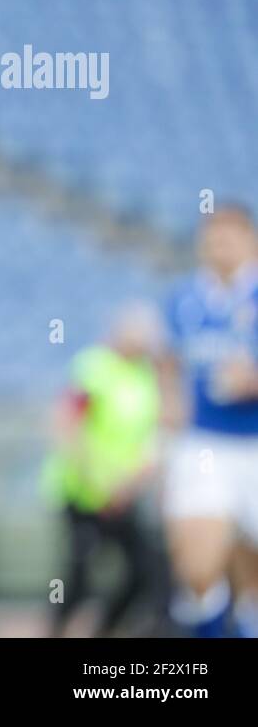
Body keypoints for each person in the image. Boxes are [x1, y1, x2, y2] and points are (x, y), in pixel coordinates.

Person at [160, 204, 258, 637]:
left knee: (250, 570)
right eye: (212, 237)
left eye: (229, 236)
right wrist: (169, 405)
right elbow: (167, 359)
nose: (219, 246)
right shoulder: (184, 298)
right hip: (206, 443)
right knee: (197, 566)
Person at [42, 304, 165, 637]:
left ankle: (103, 629)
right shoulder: (94, 367)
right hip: (84, 492)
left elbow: (151, 437)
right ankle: (57, 630)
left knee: (143, 571)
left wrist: (132, 483)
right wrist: (97, 479)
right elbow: (68, 422)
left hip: (123, 494)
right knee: (79, 573)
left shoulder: (145, 375)